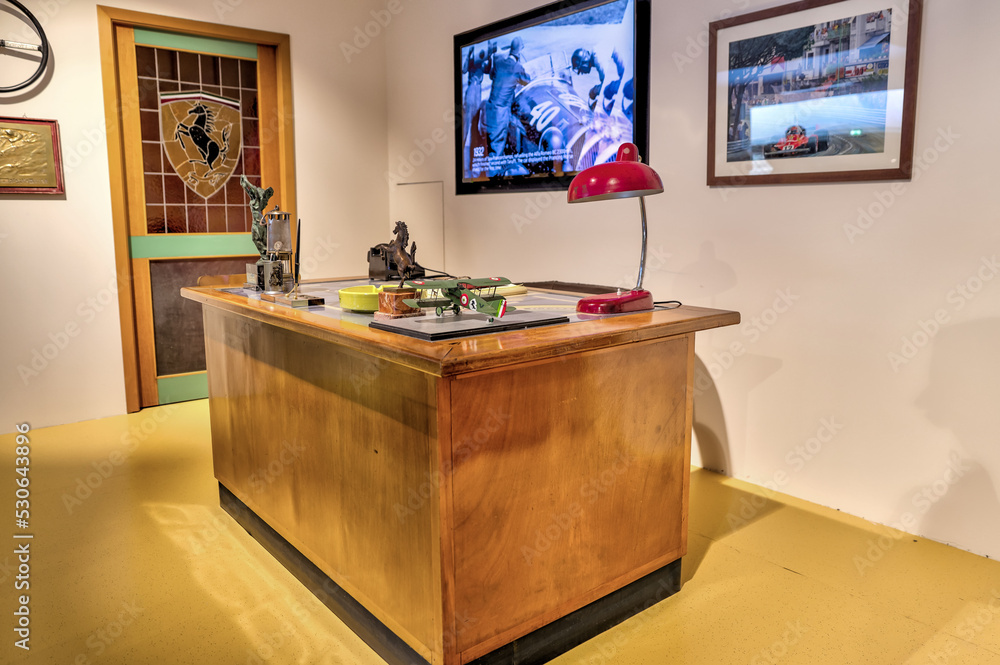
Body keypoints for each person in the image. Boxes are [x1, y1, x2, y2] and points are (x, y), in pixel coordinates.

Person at [481, 36, 530, 173]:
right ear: (519, 52)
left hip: (489, 110)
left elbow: (493, 76)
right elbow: (527, 81)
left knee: (496, 144)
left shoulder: (499, 63)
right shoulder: (517, 67)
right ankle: (492, 181)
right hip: (500, 114)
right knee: (495, 154)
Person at [462, 41, 495, 175]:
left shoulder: (481, 63)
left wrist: (490, 56)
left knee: (473, 125)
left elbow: (489, 71)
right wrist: (469, 55)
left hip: (477, 91)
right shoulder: (472, 62)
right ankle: (463, 153)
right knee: (467, 124)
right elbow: (463, 70)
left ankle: (471, 158)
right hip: (472, 90)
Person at [571, 48, 632, 119]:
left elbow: (605, 85)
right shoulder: (596, 53)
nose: (581, 72)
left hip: (629, 73)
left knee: (607, 91)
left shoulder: (599, 61)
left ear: (584, 61)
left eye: (580, 69)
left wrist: (594, 91)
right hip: (627, 69)